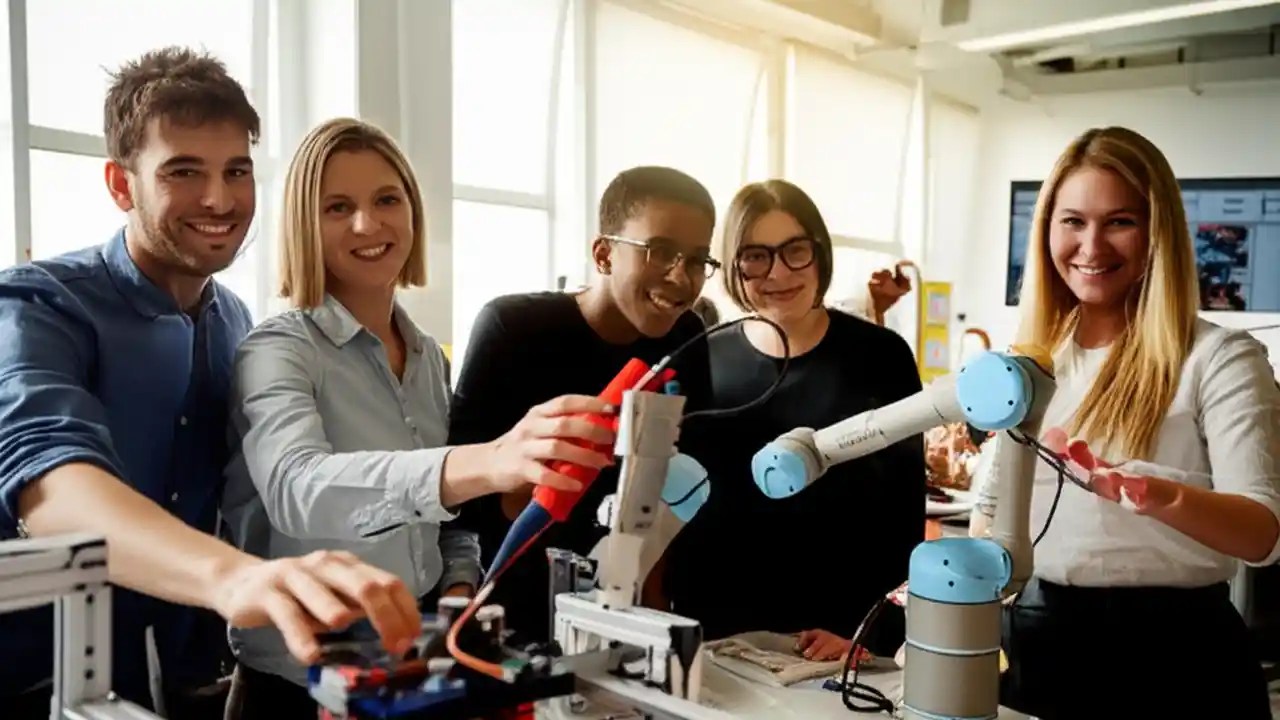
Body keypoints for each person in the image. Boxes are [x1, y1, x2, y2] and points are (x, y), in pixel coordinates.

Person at [0, 49, 422, 719]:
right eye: (183, 172)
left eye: (237, 171)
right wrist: (235, 579)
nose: (220, 199)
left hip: (187, 679)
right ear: (120, 184)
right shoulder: (39, 306)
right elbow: (52, 488)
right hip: (38, 680)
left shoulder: (236, 324)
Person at [219, 117, 618, 718]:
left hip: (406, 673)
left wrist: (458, 583)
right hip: (294, 689)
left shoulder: (428, 354)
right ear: (304, 223)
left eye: (387, 199)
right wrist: (486, 461)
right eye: (337, 207)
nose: (368, 224)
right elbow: (296, 490)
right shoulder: (277, 350)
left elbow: (440, 515)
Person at [979, 126, 1280, 719]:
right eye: (1073, 222)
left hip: (1180, 662)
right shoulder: (1029, 364)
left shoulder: (1219, 357)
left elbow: (1261, 533)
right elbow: (990, 515)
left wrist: (1157, 494)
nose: (1091, 246)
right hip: (1040, 649)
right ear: (1047, 231)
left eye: (1119, 221)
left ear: (1157, 233)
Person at [448, 166, 719, 646]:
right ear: (603, 253)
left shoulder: (687, 338)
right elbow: (460, 506)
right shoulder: (513, 329)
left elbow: (671, 499)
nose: (681, 277)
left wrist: (656, 619)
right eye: (660, 252)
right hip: (512, 619)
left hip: (625, 619)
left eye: (698, 259)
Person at [665, 179, 927, 663]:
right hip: (721, 636)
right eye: (756, 256)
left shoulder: (880, 356)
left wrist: (873, 630)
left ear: (820, 253)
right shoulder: (702, 356)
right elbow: (689, 513)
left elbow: (904, 514)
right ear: (733, 263)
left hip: (837, 637)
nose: (778, 273)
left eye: (795, 251)